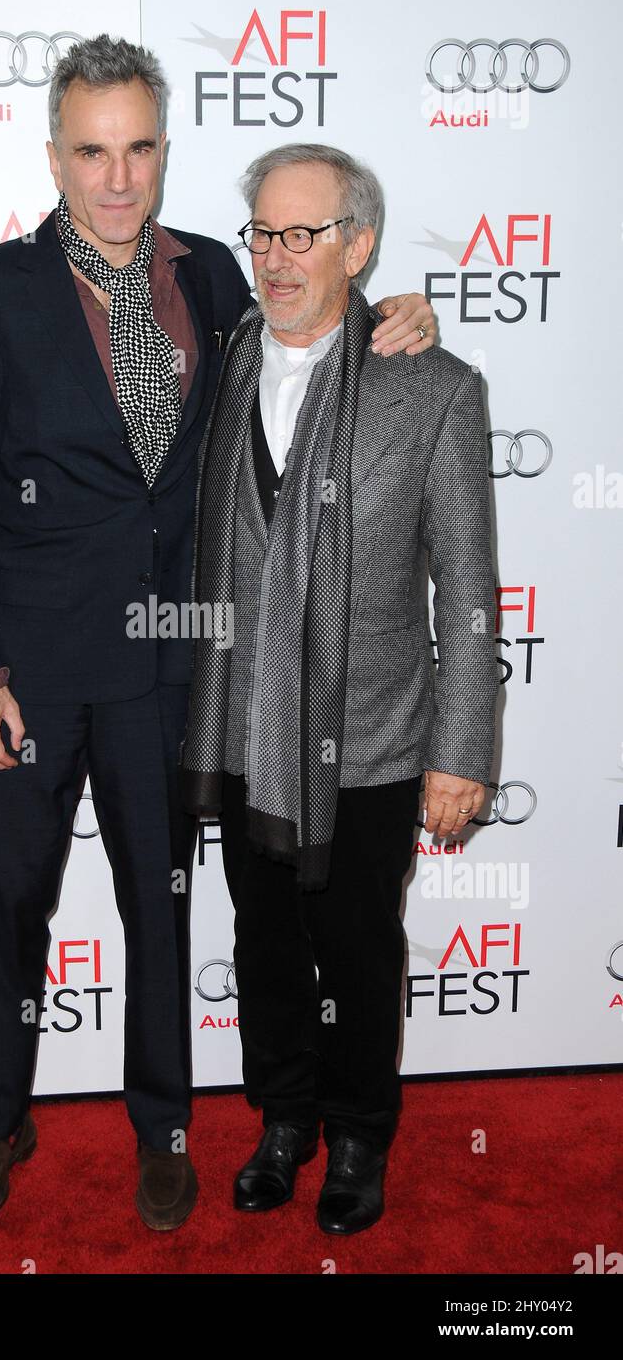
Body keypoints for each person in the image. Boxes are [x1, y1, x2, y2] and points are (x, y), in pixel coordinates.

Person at [0, 34, 439, 1232]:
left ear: (164, 151)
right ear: (54, 156)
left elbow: (308, 328)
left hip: (168, 662)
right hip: (35, 672)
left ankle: (162, 1124)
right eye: (92, 151)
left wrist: (393, 312)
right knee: (14, 901)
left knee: (159, 909)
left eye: (140, 148)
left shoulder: (214, 272)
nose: (117, 179)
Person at [179, 143, 498, 1235]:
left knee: (357, 949)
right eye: (262, 232)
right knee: (262, 938)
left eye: (303, 234)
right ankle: (284, 1119)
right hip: (243, 723)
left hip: (371, 733)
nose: (276, 257)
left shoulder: (434, 387)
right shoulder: (220, 362)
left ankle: (358, 1133)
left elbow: (465, 583)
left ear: (357, 246)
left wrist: (464, 749)